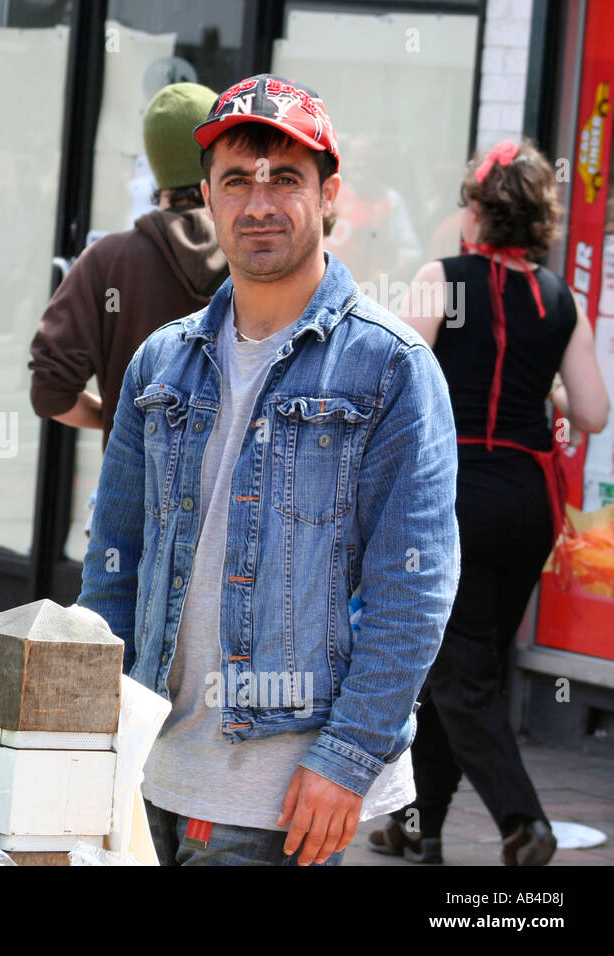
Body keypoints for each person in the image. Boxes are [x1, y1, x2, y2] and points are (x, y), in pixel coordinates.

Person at [79, 73, 461, 866]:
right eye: (236, 182)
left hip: (283, 790)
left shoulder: (391, 367)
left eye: (286, 178)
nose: (259, 203)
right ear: (208, 200)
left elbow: (413, 589)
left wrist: (347, 760)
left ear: (330, 198)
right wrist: (92, 726)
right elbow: (114, 563)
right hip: (145, 767)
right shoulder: (162, 361)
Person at [382, 140, 609, 866]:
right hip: (530, 504)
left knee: (455, 672)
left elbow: (400, 380)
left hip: (456, 498)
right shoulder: (556, 296)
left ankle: (524, 821)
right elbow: (596, 411)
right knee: (468, 668)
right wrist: (540, 387)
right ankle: (418, 828)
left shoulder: (439, 279)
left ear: (479, 210)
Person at [28, 82, 227, 447]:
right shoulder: (255, 256)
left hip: (135, 490)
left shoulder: (107, 260)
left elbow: (50, 393)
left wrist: (121, 421)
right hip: (244, 495)